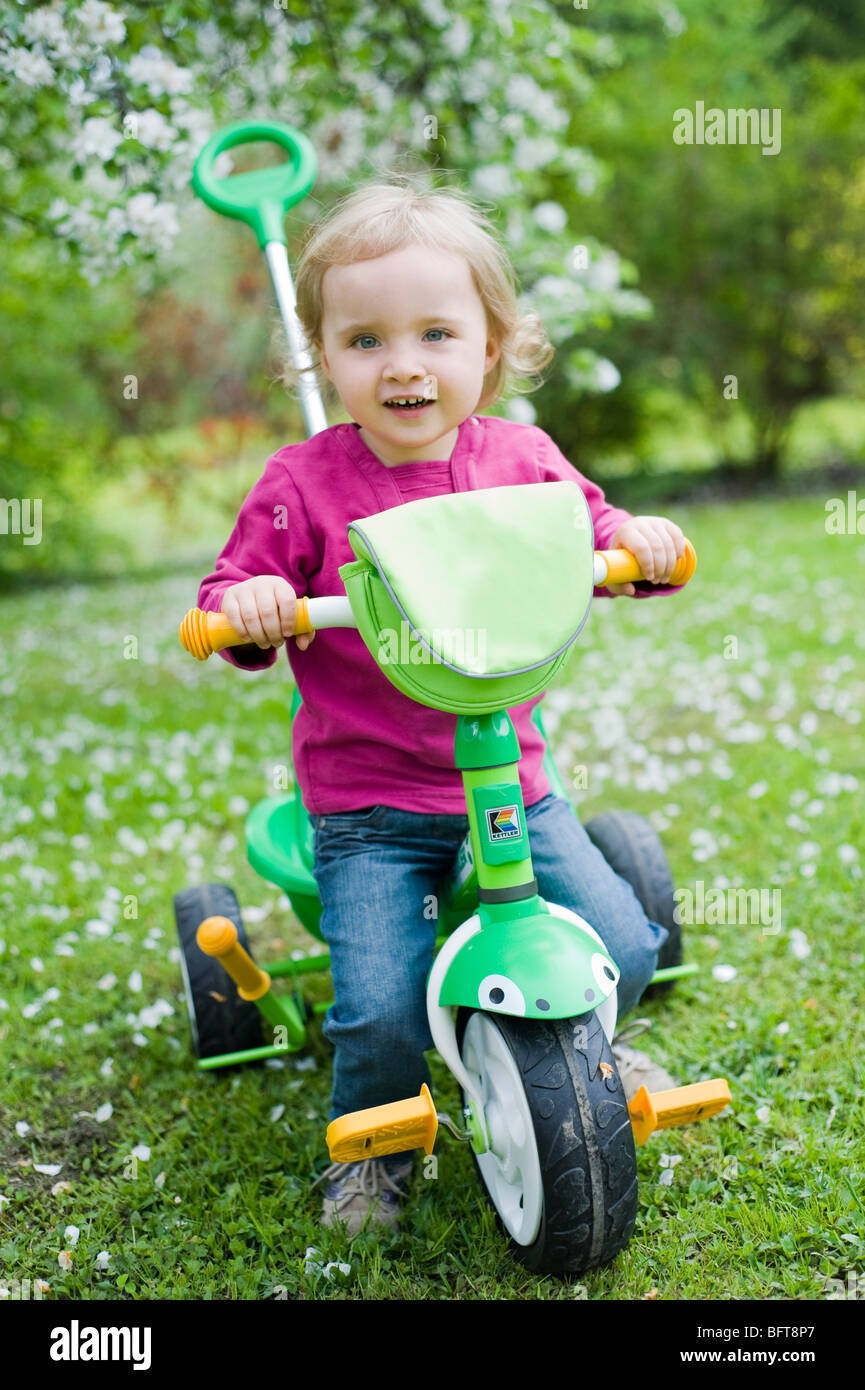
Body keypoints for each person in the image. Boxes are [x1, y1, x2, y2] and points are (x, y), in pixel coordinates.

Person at [197, 175, 686, 1235]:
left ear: (491, 345)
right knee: (380, 1006)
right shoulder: (302, 483)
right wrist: (250, 604)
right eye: (365, 340)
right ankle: (375, 1145)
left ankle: (594, 1047)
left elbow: (594, 532)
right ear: (324, 358)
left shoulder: (522, 461)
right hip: (371, 805)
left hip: (511, 780)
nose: (403, 364)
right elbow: (228, 593)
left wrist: (635, 543)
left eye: (434, 333)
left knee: (625, 943)